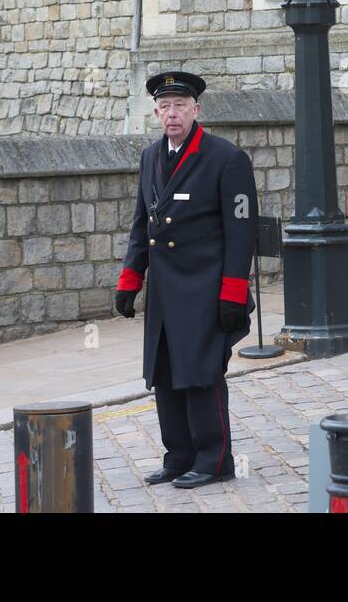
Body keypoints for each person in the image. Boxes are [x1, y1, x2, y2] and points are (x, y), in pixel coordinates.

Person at [114, 70, 258, 489]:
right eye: (164, 107)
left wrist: (233, 292)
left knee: (201, 372)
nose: (172, 114)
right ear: (155, 112)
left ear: (196, 110)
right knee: (164, 374)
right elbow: (142, 224)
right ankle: (178, 456)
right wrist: (129, 280)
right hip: (164, 289)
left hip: (206, 287)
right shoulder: (150, 157)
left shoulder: (226, 159)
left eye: (180, 106)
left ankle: (214, 460)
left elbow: (241, 231)